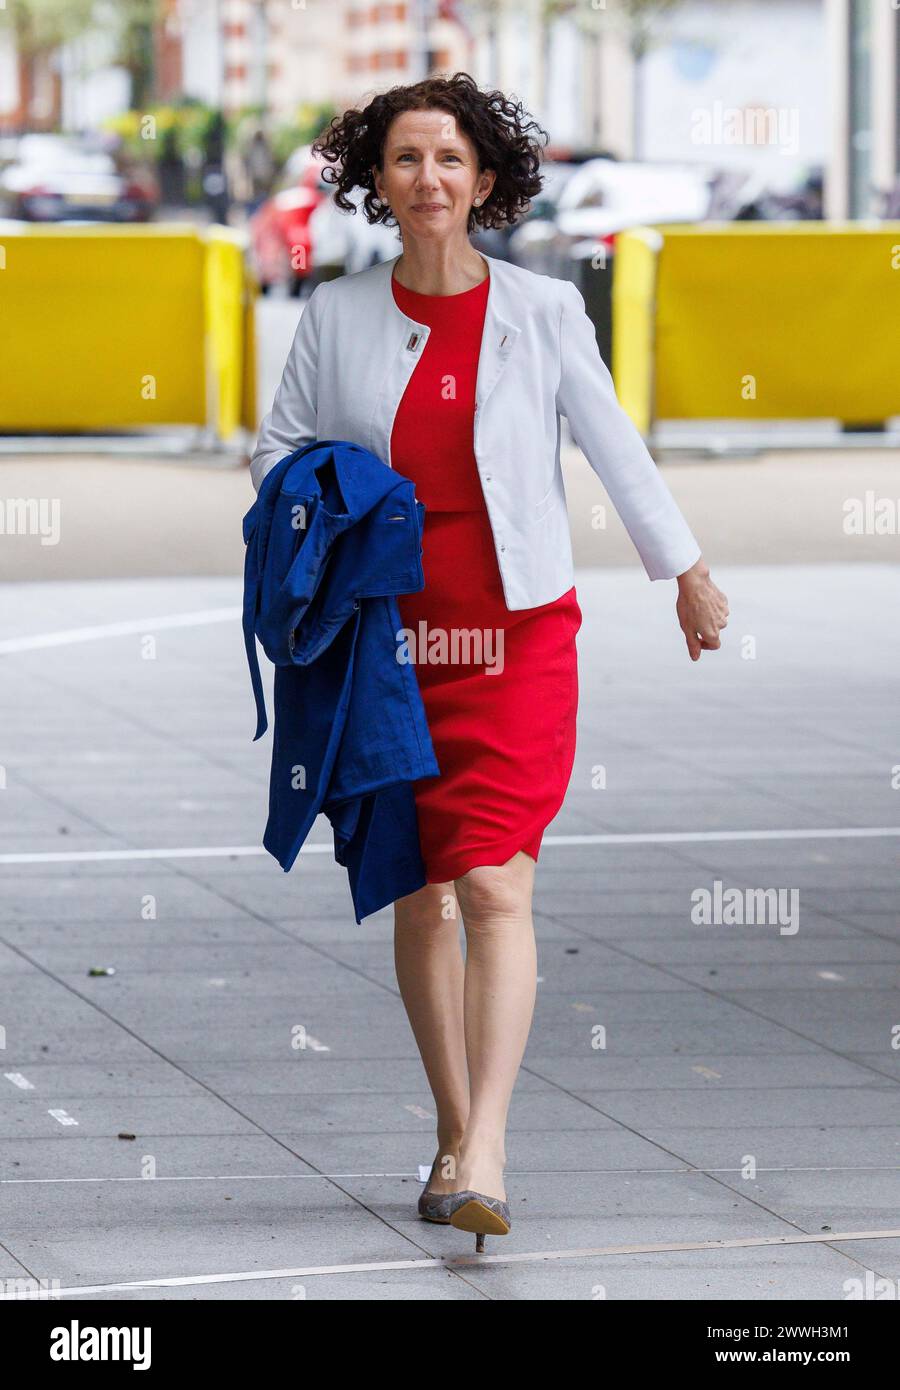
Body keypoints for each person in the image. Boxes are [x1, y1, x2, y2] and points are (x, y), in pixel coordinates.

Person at [248, 73, 729, 1249]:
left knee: (498, 882)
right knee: (423, 891)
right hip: (389, 646)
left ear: (486, 181)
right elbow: (277, 458)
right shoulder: (339, 314)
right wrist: (325, 496)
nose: (429, 181)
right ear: (378, 179)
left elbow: (616, 447)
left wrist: (687, 569)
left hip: (515, 639)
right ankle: (453, 1132)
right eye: (407, 160)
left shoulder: (544, 312)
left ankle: (490, 1146)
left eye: (450, 161)